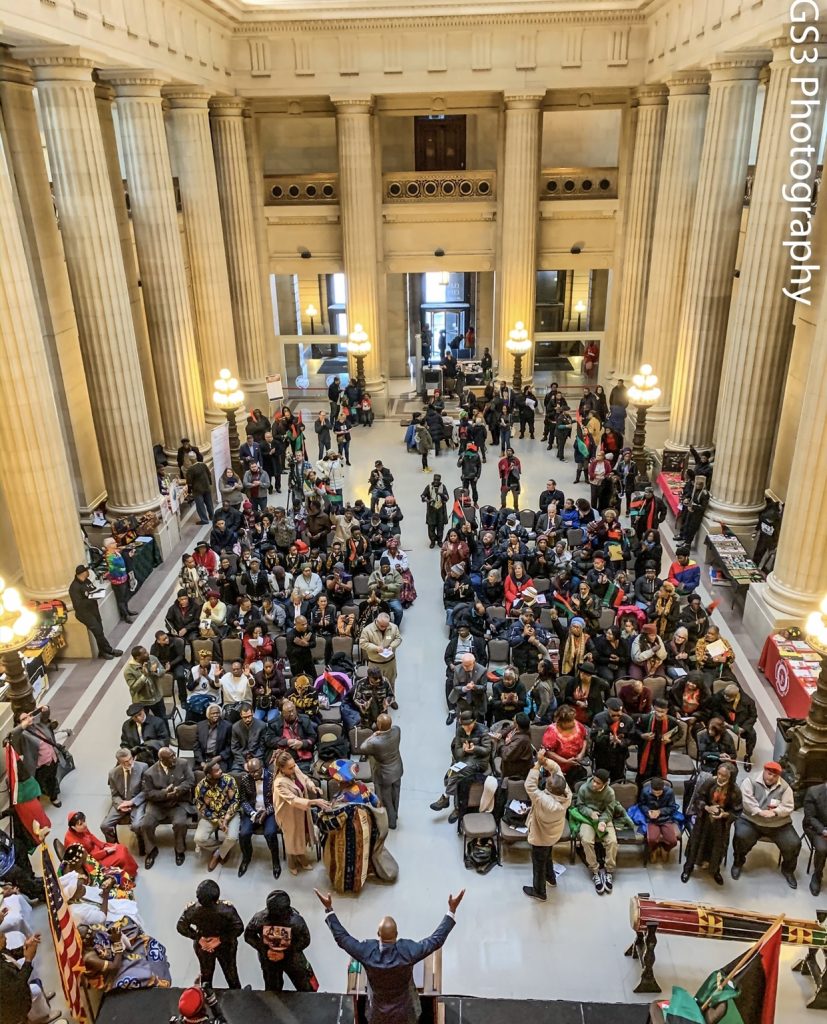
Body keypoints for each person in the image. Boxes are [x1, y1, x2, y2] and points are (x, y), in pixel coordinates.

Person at [315, 887, 464, 1024]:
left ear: (378, 934)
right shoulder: (408, 952)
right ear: (397, 935)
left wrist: (329, 909)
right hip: (405, 1012)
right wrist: (451, 910)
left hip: (378, 1012)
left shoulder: (367, 952)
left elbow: (342, 938)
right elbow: (435, 941)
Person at [731, 762, 800, 889]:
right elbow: (746, 801)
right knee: (741, 836)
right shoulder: (750, 781)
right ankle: (738, 862)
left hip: (778, 824)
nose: (771, 778)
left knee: (793, 843)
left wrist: (775, 812)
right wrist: (759, 811)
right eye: (769, 774)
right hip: (751, 820)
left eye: (775, 776)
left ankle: (788, 870)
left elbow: (788, 807)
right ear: (764, 771)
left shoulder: (785, 788)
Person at [572, 771, 634, 895]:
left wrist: (603, 821)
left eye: (598, 783)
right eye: (594, 781)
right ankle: (595, 871)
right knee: (586, 840)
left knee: (612, 841)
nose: (594, 784)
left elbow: (610, 810)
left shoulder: (610, 792)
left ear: (605, 784)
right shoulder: (584, 788)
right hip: (588, 819)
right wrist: (590, 813)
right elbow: (580, 806)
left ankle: (609, 871)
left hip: (604, 819)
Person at [244, 890, 318, 992]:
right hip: (269, 956)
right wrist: (265, 950)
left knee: (305, 986)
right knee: (273, 988)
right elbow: (248, 936)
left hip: (292, 956)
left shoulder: (296, 921)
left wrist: (285, 953)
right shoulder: (260, 919)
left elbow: (305, 940)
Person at [681, 762, 742, 885]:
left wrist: (724, 814)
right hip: (703, 820)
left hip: (721, 824)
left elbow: (737, 811)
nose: (720, 777)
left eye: (724, 776)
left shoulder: (735, 791)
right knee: (696, 843)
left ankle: (715, 870)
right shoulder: (710, 783)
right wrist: (706, 807)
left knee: (717, 847)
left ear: (730, 777)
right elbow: (699, 798)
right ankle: (688, 868)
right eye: (719, 774)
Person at [176, 880, 243, 989]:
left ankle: (206, 998)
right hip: (225, 944)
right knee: (231, 973)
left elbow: (181, 926)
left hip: (204, 944)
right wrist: (219, 939)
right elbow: (238, 927)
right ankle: (237, 995)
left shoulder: (192, 910)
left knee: (206, 974)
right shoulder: (226, 909)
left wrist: (199, 938)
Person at [522, 753, 572, 902]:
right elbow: (556, 769)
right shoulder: (566, 794)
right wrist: (545, 761)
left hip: (540, 836)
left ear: (549, 789)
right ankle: (551, 878)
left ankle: (539, 892)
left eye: (548, 782)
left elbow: (529, 785)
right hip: (553, 834)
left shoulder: (545, 800)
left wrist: (537, 765)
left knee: (538, 863)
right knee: (547, 855)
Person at [272, 751, 329, 874]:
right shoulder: (279, 783)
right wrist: (314, 801)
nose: (294, 768)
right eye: (290, 768)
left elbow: (305, 778)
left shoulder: (294, 767)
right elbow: (293, 800)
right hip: (288, 813)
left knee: (303, 834)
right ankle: (292, 863)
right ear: (282, 768)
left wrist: (312, 786)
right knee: (292, 838)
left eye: (294, 765)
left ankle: (302, 858)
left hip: (301, 809)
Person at [430, 711, 492, 824]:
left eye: (469, 725)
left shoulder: (483, 731)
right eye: (464, 726)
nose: (467, 728)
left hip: (479, 761)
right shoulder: (460, 731)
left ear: (474, 721)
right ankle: (453, 804)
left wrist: (474, 749)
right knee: (453, 772)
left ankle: (446, 798)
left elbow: (487, 750)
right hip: (465, 759)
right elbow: (457, 753)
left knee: (456, 773)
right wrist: (463, 750)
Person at [140, 747, 195, 869]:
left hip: (177, 803)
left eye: (174, 755)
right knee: (146, 824)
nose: (174, 758)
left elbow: (190, 780)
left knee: (180, 823)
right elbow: (148, 793)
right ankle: (151, 850)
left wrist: (179, 789)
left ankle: (179, 850)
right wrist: (164, 793)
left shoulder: (183, 763)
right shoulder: (149, 773)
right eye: (170, 757)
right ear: (162, 760)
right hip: (157, 805)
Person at [10, 707, 64, 807]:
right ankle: (36, 804)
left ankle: (54, 797)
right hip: (40, 766)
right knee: (38, 785)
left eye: (28, 716)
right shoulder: (22, 735)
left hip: (52, 759)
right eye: (23, 719)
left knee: (52, 779)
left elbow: (44, 717)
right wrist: (23, 725)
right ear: (19, 723)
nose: (28, 719)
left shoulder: (37, 725)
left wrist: (45, 709)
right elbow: (13, 735)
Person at [237, 757, 281, 878]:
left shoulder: (272, 777)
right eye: (251, 772)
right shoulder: (245, 779)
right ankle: (246, 857)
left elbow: (277, 801)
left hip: (269, 811)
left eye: (256, 771)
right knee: (243, 834)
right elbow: (243, 800)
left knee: (270, 833)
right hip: (252, 811)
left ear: (261, 767)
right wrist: (252, 813)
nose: (254, 774)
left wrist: (266, 812)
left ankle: (275, 860)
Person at [194, 759, 241, 872]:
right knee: (199, 839)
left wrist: (225, 820)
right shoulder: (200, 787)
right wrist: (216, 820)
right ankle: (222, 848)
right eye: (216, 771)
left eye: (220, 769)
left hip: (230, 814)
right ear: (209, 774)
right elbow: (201, 807)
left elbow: (236, 801)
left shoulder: (229, 779)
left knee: (232, 837)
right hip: (211, 816)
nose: (221, 771)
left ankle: (218, 854)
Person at [64, 811, 138, 881]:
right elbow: (87, 859)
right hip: (91, 862)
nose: (85, 824)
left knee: (122, 848)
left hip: (96, 850)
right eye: (80, 824)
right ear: (73, 827)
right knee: (121, 857)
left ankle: (130, 873)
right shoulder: (73, 843)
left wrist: (102, 846)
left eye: (84, 821)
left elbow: (91, 836)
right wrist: (105, 852)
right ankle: (128, 877)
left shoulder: (81, 828)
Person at [69, 565, 122, 659]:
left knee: (100, 631)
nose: (89, 572)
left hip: (94, 610)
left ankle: (102, 652)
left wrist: (96, 593)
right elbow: (78, 605)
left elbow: (92, 590)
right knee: (98, 632)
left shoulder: (87, 581)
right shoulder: (74, 588)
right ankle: (109, 650)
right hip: (85, 614)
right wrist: (90, 597)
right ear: (83, 573)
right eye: (87, 571)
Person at [360, 714, 403, 829]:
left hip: (384, 774)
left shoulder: (375, 742)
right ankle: (395, 814)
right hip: (397, 769)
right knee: (396, 794)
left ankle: (392, 822)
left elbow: (362, 747)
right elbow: (392, 728)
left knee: (386, 798)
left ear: (378, 725)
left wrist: (373, 735)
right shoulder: (397, 731)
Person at [101, 749, 147, 853]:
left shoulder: (143, 767)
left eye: (130, 759)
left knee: (136, 825)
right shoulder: (113, 773)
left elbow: (145, 791)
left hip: (137, 802)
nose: (130, 762)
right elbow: (114, 794)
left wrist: (132, 802)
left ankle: (141, 841)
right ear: (120, 762)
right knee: (105, 825)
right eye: (126, 761)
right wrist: (120, 804)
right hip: (121, 803)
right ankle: (114, 847)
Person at [0, 929, 44, 1024]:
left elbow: (9, 956)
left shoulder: (1, 951)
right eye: (1, 937)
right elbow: (18, 987)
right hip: (11, 1010)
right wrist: (28, 960)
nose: (6, 937)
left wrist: (25, 946)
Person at [637, 778, 680, 861]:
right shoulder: (645, 791)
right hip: (651, 819)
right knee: (652, 839)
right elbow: (641, 805)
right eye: (655, 792)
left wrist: (660, 811)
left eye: (659, 792)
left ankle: (665, 849)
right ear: (651, 789)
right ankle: (654, 849)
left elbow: (672, 807)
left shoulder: (669, 792)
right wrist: (648, 812)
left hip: (666, 818)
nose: (657, 795)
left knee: (672, 841)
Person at [123, 646, 167, 727]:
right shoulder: (128, 671)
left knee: (163, 719)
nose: (148, 654)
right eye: (145, 653)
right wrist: (144, 676)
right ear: (137, 657)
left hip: (157, 697)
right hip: (143, 702)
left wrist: (155, 671)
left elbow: (163, 671)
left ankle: (167, 738)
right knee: (146, 723)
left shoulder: (152, 659)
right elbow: (134, 688)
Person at [360, 612, 402, 692]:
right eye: (382, 626)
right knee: (375, 684)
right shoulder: (367, 630)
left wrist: (392, 646)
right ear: (377, 621)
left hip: (390, 663)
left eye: (386, 626)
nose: (384, 628)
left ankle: (391, 700)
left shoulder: (393, 627)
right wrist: (375, 648)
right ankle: (377, 702)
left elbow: (398, 639)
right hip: (375, 663)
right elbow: (362, 643)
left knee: (391, 683)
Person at [102, 538, 135, 623]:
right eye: (113, 543)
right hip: (117, 580)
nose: (116, 544)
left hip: (123, 577)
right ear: (109, 546)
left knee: (125, 596)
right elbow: (120, 563)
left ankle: (127, 610)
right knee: (121, 599)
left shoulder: (116, 552)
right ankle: (125, 615)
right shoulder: (109, 556)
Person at [804, 781, 827, 896]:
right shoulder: (814, 791)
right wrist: (824, 831)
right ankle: (817, 875)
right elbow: (810, 817)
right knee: (822, 849)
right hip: (815, 827)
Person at [194, 705, 233, 772]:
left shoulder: (227, 726)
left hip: (219, 759)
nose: (215, 715)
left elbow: (229, 747)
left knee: (218, 773)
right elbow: (196, 747)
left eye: (217, 713)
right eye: (213, 713)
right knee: (197, 774)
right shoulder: (200, 725)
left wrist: (219, 757)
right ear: (208, 715)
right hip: (204, 758)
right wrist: (201, 762)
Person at [186, 459, 214, 525]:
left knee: (200, 505)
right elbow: (209, 474)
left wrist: (189, 491)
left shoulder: (190, 469)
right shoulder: (203, 464)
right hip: (206, 487)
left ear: (190, 461)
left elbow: (189, 482)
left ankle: (204, 520)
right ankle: (212, 516)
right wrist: (209, 484)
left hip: (197, 490)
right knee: (209, 502)